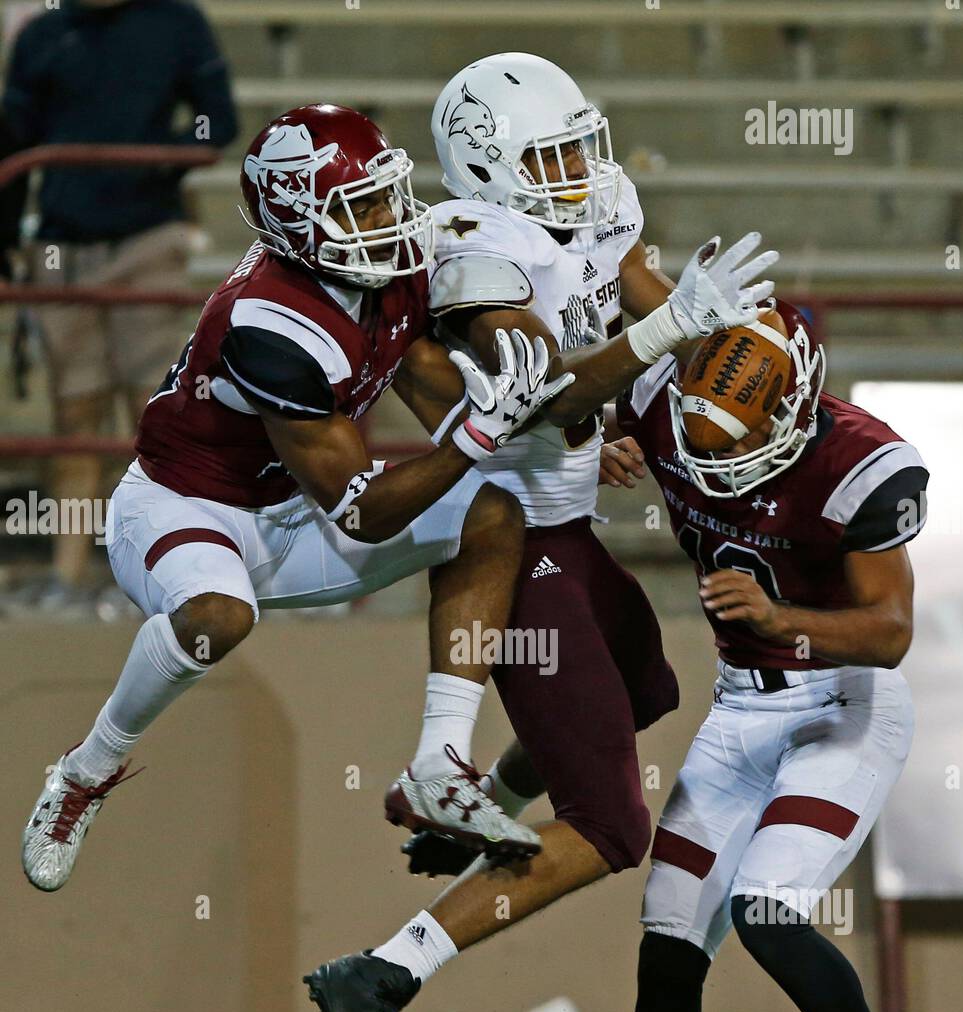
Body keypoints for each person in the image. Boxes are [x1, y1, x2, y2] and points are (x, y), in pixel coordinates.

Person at [302, 54, 779, 1012]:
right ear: (482, 167)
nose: (579, 172)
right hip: (524, 541)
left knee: (649, 686)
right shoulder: (477, 246)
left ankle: (459, 812)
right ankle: (382, 973)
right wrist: (656, 341)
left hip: (569, 520)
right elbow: (533, 391)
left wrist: (713, 351)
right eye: (549, 156)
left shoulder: (597, 203)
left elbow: (631, 299)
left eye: (580, 146)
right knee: (612, 826)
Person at [21, 104, 568, 892]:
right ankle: (84, 770)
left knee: (491, 513)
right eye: (362, 207)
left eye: (387, 194)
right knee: (217, 617)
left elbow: (411, 368)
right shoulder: (270, 326)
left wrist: (527, 434)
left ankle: (438, 764)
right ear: (298, 225)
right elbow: (361, 509)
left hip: (293, 511)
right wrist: (480, 435)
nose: (388, 218)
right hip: (187, 508)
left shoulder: (385, 264)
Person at [535, 302, 944, 1012]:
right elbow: (569, 390)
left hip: (840, 704)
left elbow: (889, 634)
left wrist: (775, 616)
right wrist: (588, 445)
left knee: (765, 907)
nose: (714, 468)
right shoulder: (665, 399)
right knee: (668, 941)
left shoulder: (859, 465)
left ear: (797, 408)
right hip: (739, 709)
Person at [1, 0, 238, 607]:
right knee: (74, 416)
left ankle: (153, 571)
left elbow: (219, 120)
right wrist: (6, 240)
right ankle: (68, 575)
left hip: (146, 239)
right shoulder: (44, 36)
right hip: (61, 250)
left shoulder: (177, 23)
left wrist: (167, 157)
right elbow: (13, 142)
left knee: (148, 414)